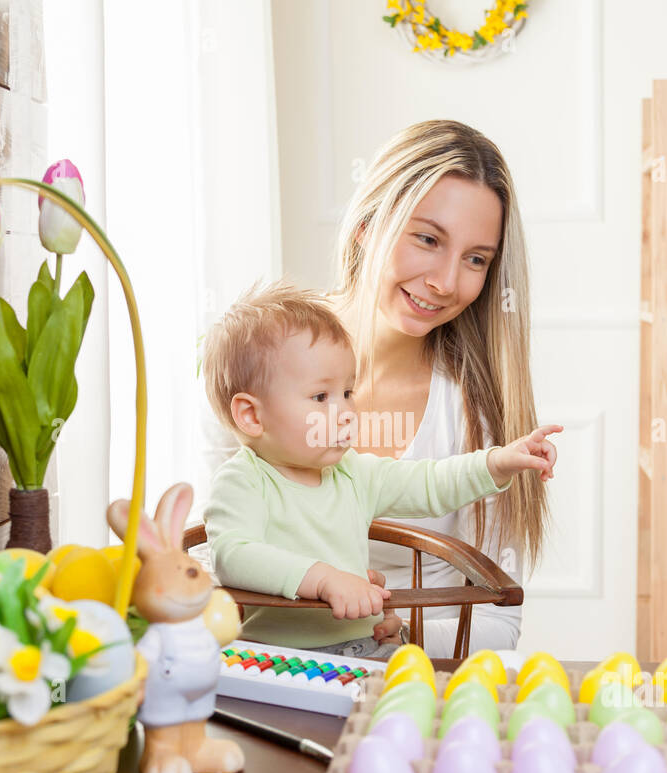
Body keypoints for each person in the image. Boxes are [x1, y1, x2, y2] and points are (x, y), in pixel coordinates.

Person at [201, 120, 550, 657]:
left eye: (476, 259)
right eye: (428, 239)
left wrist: (395, 631)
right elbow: (208, 561)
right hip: (270, 672)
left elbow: (497, 625)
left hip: (408, 678)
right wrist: (317, 585)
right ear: (367, 226)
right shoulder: (259, 361)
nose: (447, 282)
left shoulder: (477, 410)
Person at [201, 280, 560, 658]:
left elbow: (430, 483)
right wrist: (324, 580)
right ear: (251, 415)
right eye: (321, 397)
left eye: (348, 392)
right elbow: (233, 554)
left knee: (425, 696)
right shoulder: (243, 481)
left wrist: (497, 462)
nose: (345, 413)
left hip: (364, 647)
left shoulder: (353, 473)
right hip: (274, 658)